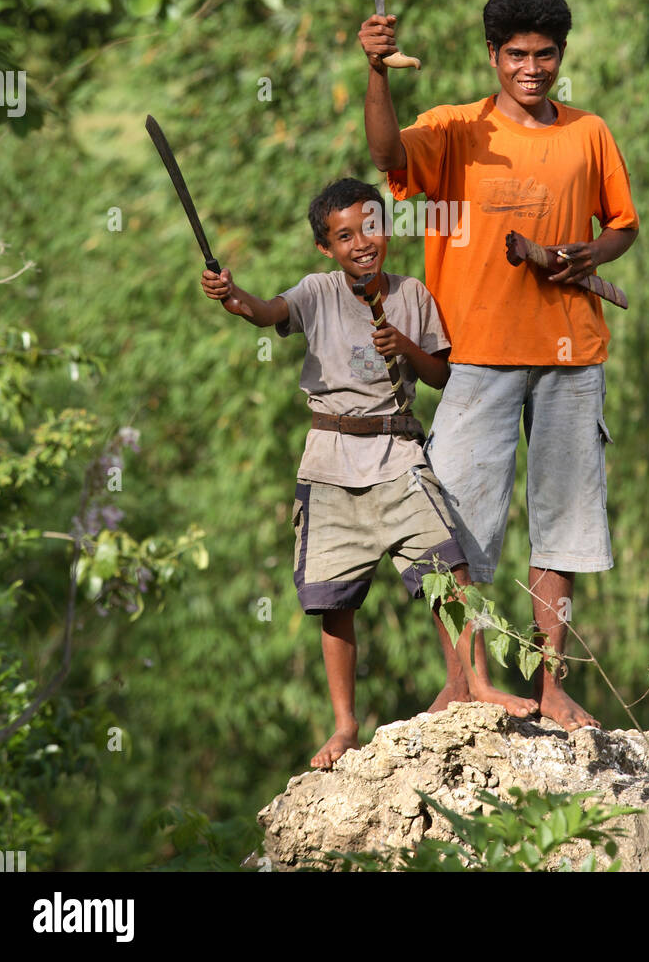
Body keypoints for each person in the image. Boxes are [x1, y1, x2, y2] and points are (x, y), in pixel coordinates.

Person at [360, 0, 639, 731]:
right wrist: (377, 70)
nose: (532, 68)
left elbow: (622, 225)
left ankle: (551, 687)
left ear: (562, 55)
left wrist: (590, 254)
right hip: (474, 359)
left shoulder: (589, 133)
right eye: (516, 54)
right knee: (453, 523)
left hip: (570, 356)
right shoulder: (453, 130)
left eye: (545, 54)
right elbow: (385, 153)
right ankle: (463, 683)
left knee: (563, 527)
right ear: (492, 55)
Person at [200, 176, 537, 768]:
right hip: (331, 464)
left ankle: (477, 684)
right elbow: (263, 311)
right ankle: (345, 725)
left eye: (371, 227)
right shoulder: (318, 292)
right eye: (344, 235)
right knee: (336, 602)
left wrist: (404, 346)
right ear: (325, 248)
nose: (362, 242)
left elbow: (439, 374)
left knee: (450, 570)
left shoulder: (412, 294)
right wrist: (233, 294)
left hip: (399, 453)